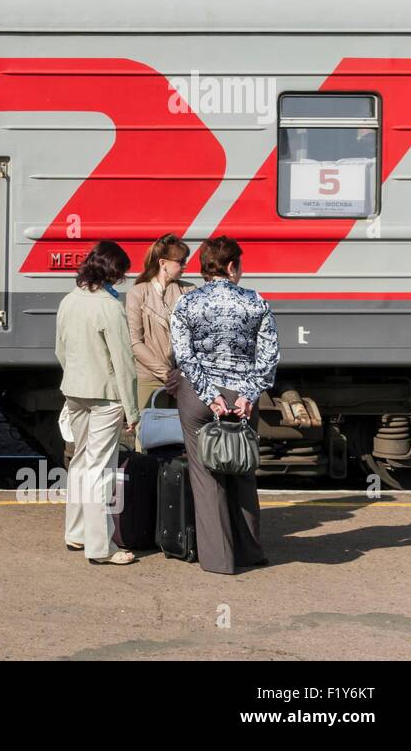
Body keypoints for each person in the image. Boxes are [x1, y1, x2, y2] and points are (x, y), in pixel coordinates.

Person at [170, 236, 280, 575]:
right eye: (241, 265)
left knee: (207, 478)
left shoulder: (186, 304)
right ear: (232, 267)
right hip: (242, 395)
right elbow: (269, 356)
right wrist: (247, 395)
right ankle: (250, 552)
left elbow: (183, 356)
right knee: (243, 470)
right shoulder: (255, 301)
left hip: (200, 398)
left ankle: (219, 561)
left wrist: (210, 396)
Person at [55, 240, 140, 565]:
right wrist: (131, 410)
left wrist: (75, 376)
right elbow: (123, 361)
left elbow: (60, 350)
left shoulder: (69, 301)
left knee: (78, 462)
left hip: (74, 390)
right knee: (100, 470)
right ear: (114, 272)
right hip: (106, 395)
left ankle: (75, 533)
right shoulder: (109, 307)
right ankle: (101, 547)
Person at [126, 234, 194, 448]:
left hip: (183, 377)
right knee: (147, 438)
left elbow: (195, 337)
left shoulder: (189, 290)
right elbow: (134, 341)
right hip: (149, 375)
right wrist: (167, 374)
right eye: (180, 261)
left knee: (182, 441)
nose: (185, 265)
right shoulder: (138, 293)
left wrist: (180, 371)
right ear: (163, 263)